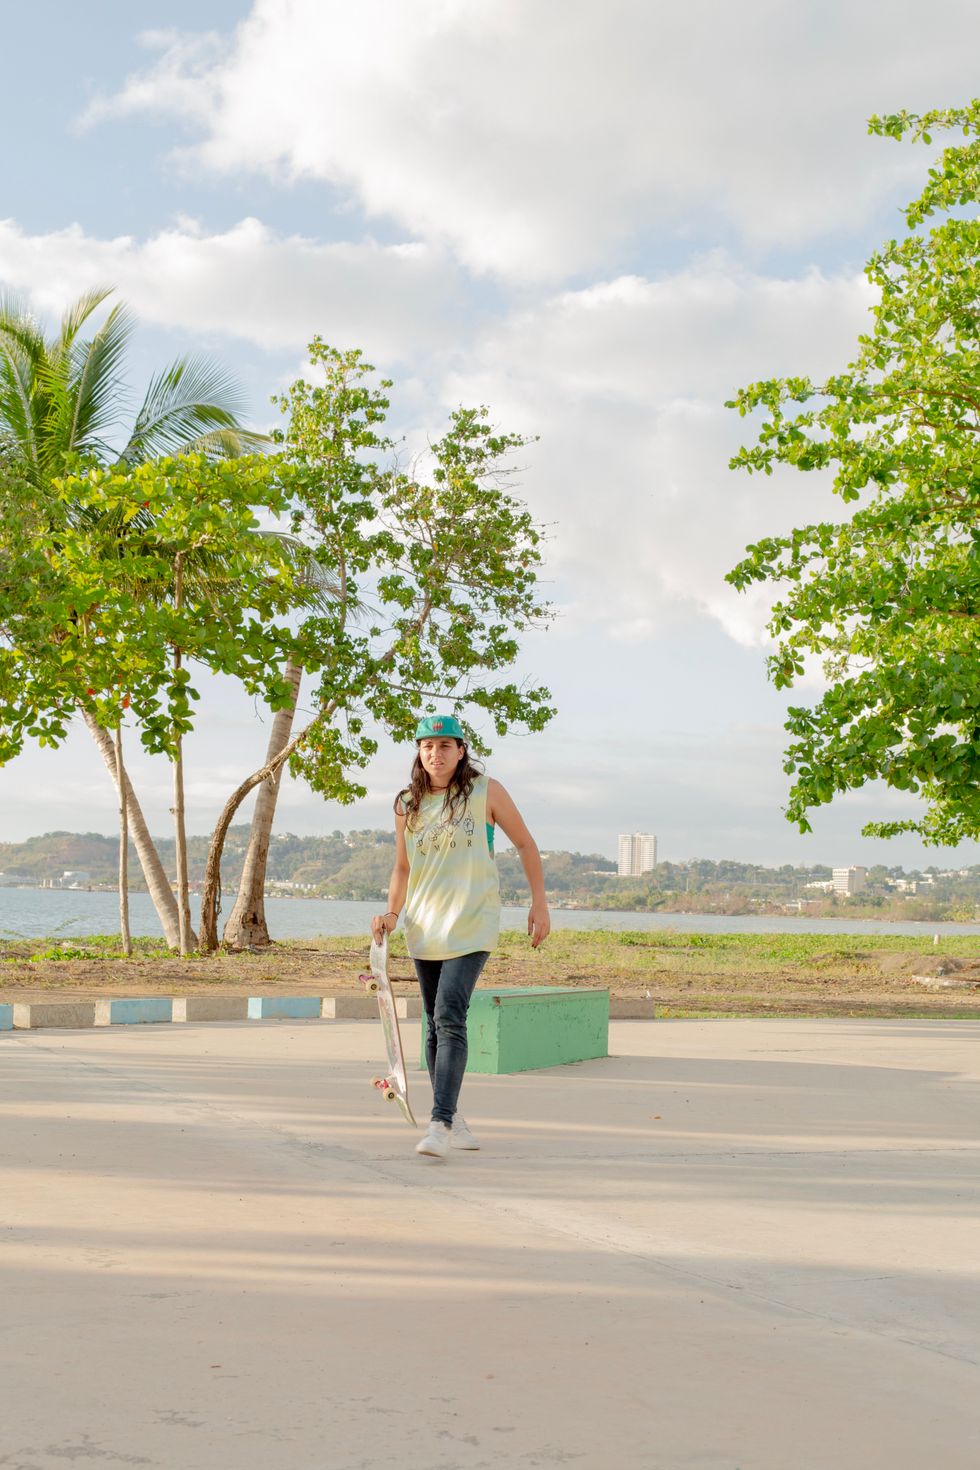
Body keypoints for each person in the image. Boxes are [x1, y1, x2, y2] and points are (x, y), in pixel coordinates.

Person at [371, 715, 550, 1159]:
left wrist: (539, 903)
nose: (436, 753)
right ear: (418, 751)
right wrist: (392, 913)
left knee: (450, 1014)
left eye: (445, 745)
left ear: (462, 749)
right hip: (424, 926)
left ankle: (440, 1124)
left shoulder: (486, 791)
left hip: (473, 922)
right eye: (428, 746)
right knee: (433, 1023)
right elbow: (402, 867)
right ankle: (452, 1115)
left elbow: (526, 845)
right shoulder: (405, 804)